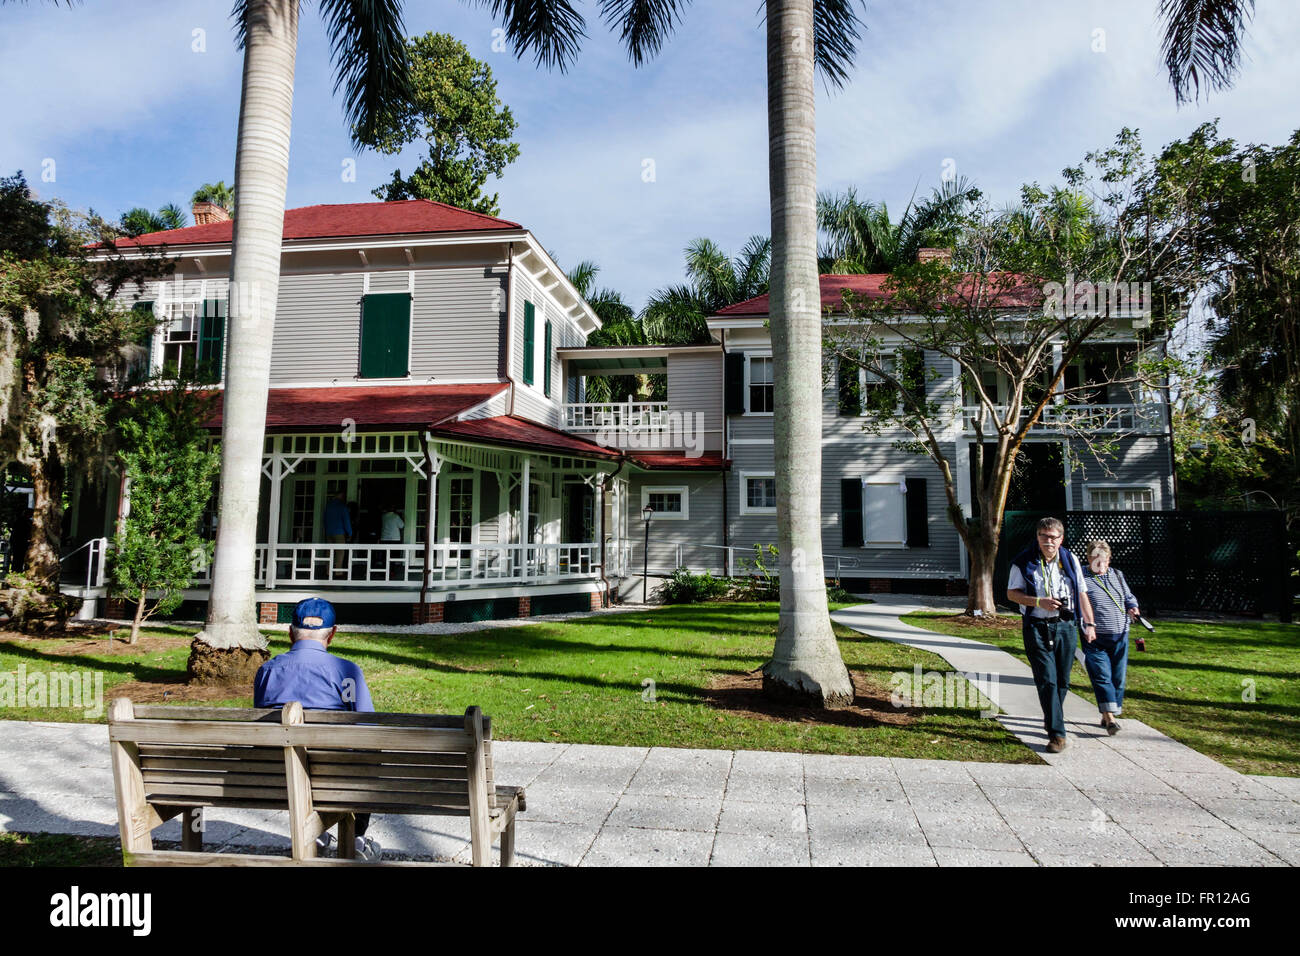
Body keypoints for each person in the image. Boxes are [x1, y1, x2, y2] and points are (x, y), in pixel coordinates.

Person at [253, 597, 381, 860]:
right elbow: (368, 728)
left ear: (290, 632)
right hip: (337, 776)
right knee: (364, 756)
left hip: (276, 779)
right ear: (332, 634)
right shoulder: (346, 671)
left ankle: (316, 834)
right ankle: (356, 837)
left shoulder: (267, 671)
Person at [1005, 517, 1098, 753]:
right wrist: (1038, 601)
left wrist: (1090, 623)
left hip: (1065, 626)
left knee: (1063, 681)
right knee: (1047, 679)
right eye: (1044, 536)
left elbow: (1082, 593)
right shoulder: (1023, 562)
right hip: (1037, 625)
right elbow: (1012, 594)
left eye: (1053, 537)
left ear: (1061, 539)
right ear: (1037, 537)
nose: (1049, 541)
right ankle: (1057, 733)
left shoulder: (1070, 560)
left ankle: (1051, 718)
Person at [1080, 539, 1141, 735]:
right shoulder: (1081, 576)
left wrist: (1133, 607)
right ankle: (1110, 717)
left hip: (1120, 633)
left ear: (1109, 559)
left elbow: (1128, 596)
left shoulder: (1117, 575)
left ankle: (1108, 713)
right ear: (1088, 558)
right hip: (1094, 635)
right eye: (1096, 559)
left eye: (1104, 560)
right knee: (1102, 676)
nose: (1100, 564)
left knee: (1118, 678)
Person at [323, 489, 352, 575]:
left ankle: (328, 571)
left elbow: (324, 519)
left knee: (329, 552)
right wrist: (350, 533)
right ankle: (338, 572)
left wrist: (327, 529)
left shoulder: (328, 506)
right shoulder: (342, 506)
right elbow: (346, 521)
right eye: (343, 496)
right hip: (339, 532)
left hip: (329, 532)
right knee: (340, 552)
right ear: (340, 496)